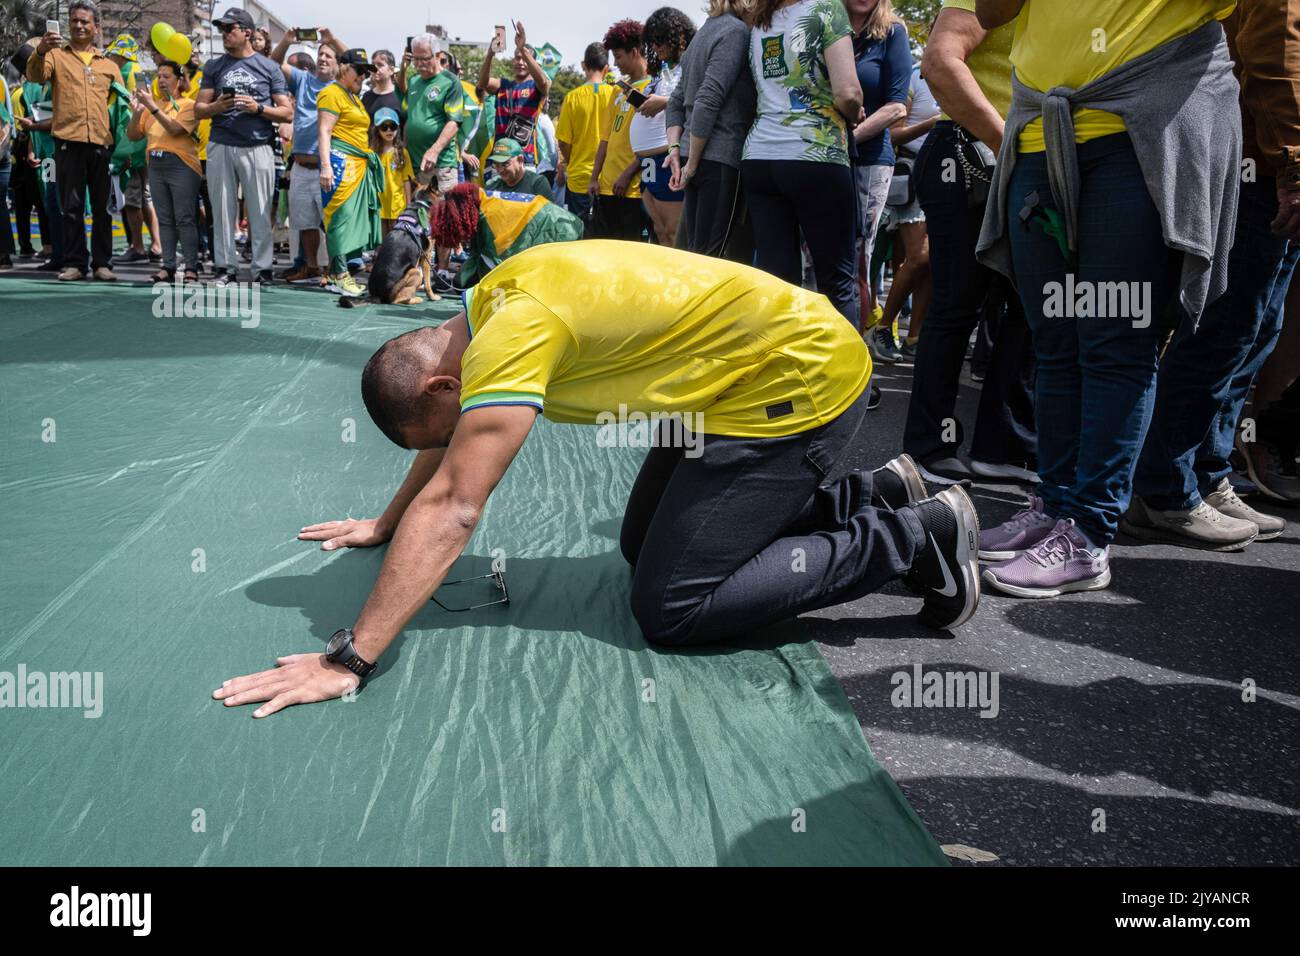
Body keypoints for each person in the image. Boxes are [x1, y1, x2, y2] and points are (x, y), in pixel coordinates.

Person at [212, 241, 983, 717]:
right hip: (726, 389)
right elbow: (446, 456)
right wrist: (384, 525)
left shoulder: (514, 339)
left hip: (797, 385)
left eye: (445, 430)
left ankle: (918, 535)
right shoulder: (483, 307)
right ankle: (875, 491)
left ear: (446, 390)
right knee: (639, 544)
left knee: (674, 605)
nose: (450, 444)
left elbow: (456, 503)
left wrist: (349, 659)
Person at [975, 0, 1242, 598]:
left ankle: (1089, 535)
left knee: (1112, 338)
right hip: (1042, 133)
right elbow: (992, 12)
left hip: (1138, 133)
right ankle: (1057, 506)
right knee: (1056, 339)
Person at [1123, 0, 1300, 549]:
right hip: (1261, 165)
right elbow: (1279, 57)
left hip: (1267, 162)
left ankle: (1206, 472)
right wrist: (1295, 162)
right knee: (1226, 328)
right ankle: (1165, 489)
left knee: (1256, 328)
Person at [901, 0, 1036, 486]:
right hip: (969, 156)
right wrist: (1008, 145)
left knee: (1029, 307)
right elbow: (939, 62)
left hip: (1014, 159)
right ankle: (929, 447)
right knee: (958, 305)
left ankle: (1005, 447)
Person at [741, 0, 864, 326]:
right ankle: (846, 376)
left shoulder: (759, 20)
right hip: (816, 153)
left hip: (761, 157)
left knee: (778, 284)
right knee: (836, 283)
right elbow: (849, 92)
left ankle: (783, 371)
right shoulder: (825, 9)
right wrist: (854, 112)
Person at [195, 6, 293, 286]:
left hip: (257, 145)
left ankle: (262, 269)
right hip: (220, 143)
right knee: (222, 210)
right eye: (222, 29)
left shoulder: (269, 67)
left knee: (260, 210)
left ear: (247, 32)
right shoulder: (214, 66)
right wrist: (217, 106)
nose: (224, 34)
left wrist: (258, 108)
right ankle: (225, 268)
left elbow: (287, 113)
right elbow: (199, 110)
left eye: (229, 28)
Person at [27, 2, 121, 282]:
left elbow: (121, 108)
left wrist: (125, 147)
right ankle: (74, 264)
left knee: (103, 209)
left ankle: (103, 264)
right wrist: (41, 50)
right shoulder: (56, 56)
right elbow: (34, 75)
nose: (79, 25)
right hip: (67, 144)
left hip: (103, 145)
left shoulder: (109, 65)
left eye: (85, 21)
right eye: (74, 21)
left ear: (96, 27)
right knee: (71, 208)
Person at [665, 0, 755, 260]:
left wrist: (675, 150)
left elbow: (676, 101)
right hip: (718, 156)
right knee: (709, 259)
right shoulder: (736, 31)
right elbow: (707, 99)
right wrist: (691, 163)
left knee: (696, 254)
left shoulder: (705, 30)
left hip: (693, 156)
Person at [846, 0, 911, 360]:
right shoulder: (825, 27)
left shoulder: (892, 33)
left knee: (859, 257)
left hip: (869, 161)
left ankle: (861, 351)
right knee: (823, 257)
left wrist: (848, 139)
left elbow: (897, 106)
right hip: (823, 160)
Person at [270, 29, 346, 284]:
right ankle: (311, 267)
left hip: (327, 166)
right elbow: (273, 63)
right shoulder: (303, 79)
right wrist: (287, 41)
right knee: (305, 222)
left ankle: (331, 270)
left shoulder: (341, 86)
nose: (323, 58)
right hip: (301, 166)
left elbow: (353, 60)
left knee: (330, 223)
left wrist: (331, 38)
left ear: (337, 64)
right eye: (321, 54)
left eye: (329, 56)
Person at [880, 62, 939, 357]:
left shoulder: (970, 74)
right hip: (912, 173)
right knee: (919, 256)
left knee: (930, 262)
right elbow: (892, 134)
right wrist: (932, 125)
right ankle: (882, 327)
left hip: (946, 175)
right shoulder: (915, 76)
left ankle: (915, 338)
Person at [128, 60, 201, 283]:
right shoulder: (153, 105)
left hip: (182, 165)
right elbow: (133, 135)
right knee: (165, 218)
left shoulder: (188, 105)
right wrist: (137, 112)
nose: (161, 80)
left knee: (184, 218)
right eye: (159, 76)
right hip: (156, 165)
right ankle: (168, 266)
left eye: (167, 76)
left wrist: (151, 107)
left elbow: (175, 128)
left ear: (179, 80)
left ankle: (191, 267)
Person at [317, 49, 382, 298]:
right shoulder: (331, 93)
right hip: (340, 162)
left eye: (367, 72)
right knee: (340, 220)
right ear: (343, 67)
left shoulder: (353, 96)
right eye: (360, 70)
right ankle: (339, 275)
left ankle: (343, 273)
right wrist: (325, 165)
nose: (364, 76)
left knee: (349, 221)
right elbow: (324, 131)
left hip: (357, 164)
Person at [629, 7, 695, 246]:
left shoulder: (690, 64)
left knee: (674, 231)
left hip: (669, 158)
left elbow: (696, 100)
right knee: (659, 230)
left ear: (676, 35)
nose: (656, 47)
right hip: (648, 163)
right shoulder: (662, 71)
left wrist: (663, 102)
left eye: (660, 40)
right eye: (652, 42)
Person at [589, 20, 652, 240]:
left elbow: (653, 142)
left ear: (634, 52)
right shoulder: (618, 90)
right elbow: (605, 138)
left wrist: (628, 175)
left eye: (618, 57)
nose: (615, 63)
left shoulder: (654, 88)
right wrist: (594, 177)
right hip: (606, 187)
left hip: (633, 189)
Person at [105, 34, 160, 264]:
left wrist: (125, 151)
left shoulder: (124, 73)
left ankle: (137, 247)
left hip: (131, 145)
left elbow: (126, 114)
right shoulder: (140, 71)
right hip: (143, 142)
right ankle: (156, 245)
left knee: (132, 198)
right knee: (146, 197)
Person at [477, 21, 551, 169]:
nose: (521, 62)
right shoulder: (503, 85)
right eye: (517, 58)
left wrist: (522, 48)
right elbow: (483, 83)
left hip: (525, 160)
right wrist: (491, 53)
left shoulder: (537, 87)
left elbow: (543, 82)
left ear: (533, 63)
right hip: (498, 159)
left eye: (525, 59)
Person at [555, 42, 615, 221]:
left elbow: (563, 141)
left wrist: (572, 160)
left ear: (583, 65)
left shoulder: (572, 97)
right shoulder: (615, 95)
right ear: (607, 68)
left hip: (579, 178)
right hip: (608, 178)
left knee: (580, 236)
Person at [404, 33, 465, 196]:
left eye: (424, 58)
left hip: (441, 166)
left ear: (438, 56)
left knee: (443, 217)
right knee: (418, 219)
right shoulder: (413, 81)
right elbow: (410, 119)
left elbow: (454, 123)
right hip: (415, 167)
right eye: (415, 59)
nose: (419, 64)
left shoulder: (451, 82)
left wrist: (434, 151)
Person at [371, 107, 413, 235]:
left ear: (397, 129)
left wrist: (409, 205)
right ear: (377, 130)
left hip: (397, 204)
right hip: (379, 205)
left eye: (392, 126)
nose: (389, 130)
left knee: (396, 237)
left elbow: (407, 180)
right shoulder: (372, 153)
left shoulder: (402, 153)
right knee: (382, 240)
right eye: (384, 127)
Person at [484, 137, 551, 198]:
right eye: (496, 164)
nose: (500, 170)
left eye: (505, 164)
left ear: (520, 160)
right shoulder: (491, 185)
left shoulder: (537, 184)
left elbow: (548, 211)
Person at [362, 49, 403, 123]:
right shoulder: (366, 96)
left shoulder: (400, 96)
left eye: (380, 65)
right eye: (373, 65)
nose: (375, 68)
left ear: (391, 70)